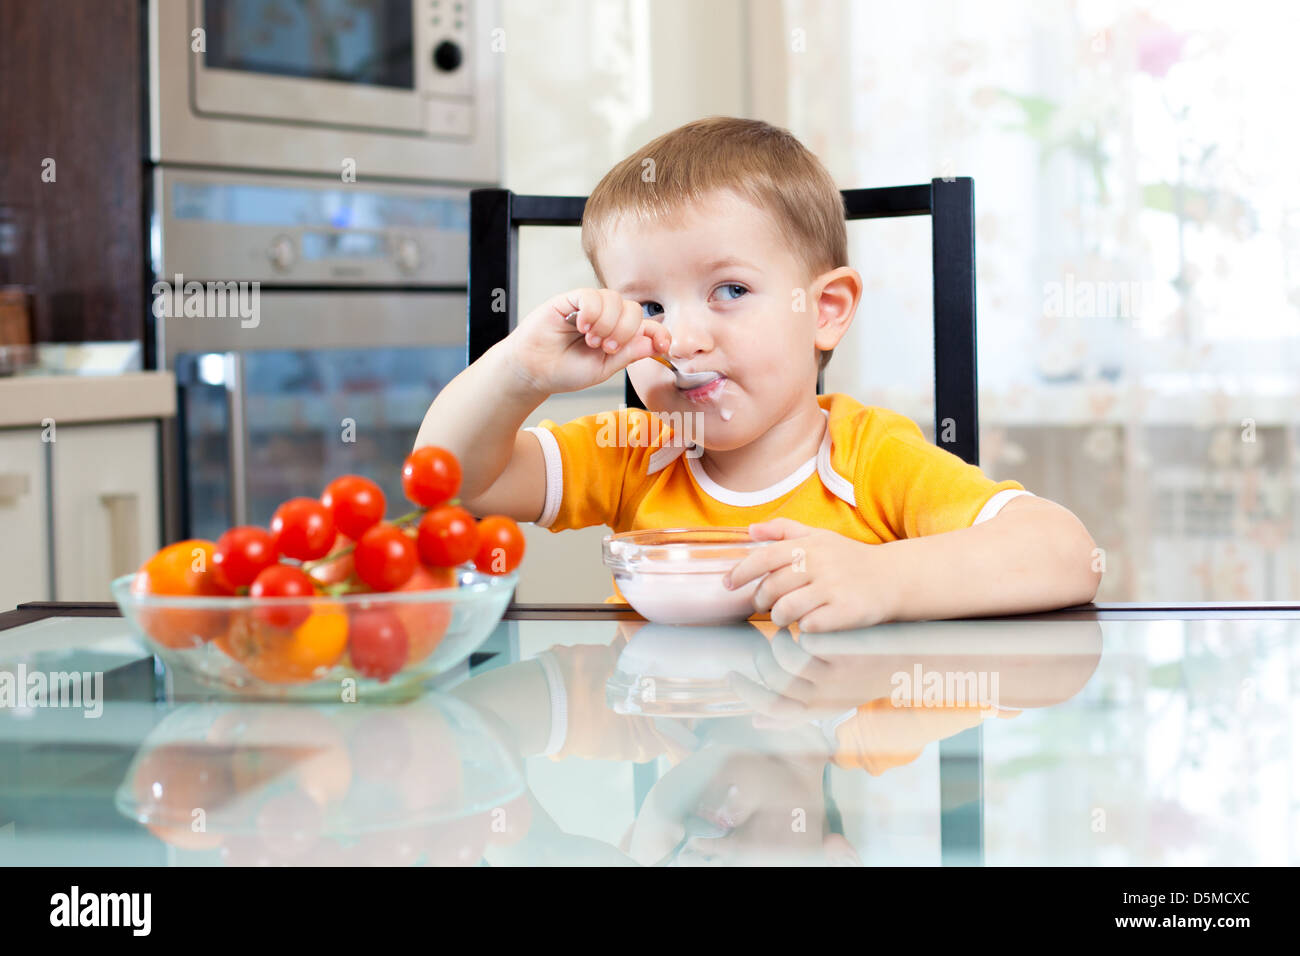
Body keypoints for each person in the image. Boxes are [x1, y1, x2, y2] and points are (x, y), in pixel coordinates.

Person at [416, 116, 1101, 631]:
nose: (681, 338)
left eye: (730, 291)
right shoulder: (634, 450)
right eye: (649, 305)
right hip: (662, 761)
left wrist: (882, 580)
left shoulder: (869, 458)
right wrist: (520, 371)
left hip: (823, 742)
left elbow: (1068, 554)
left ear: (825, 310)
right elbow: (446, 481)